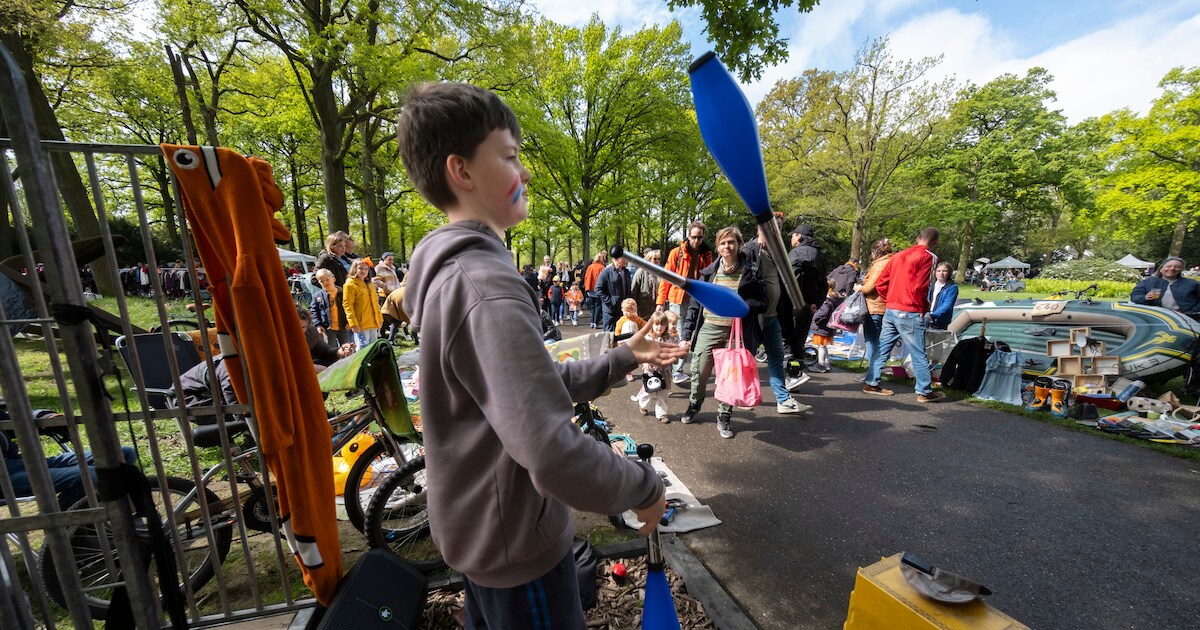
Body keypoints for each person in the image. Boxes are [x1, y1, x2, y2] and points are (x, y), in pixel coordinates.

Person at [396, 81, 681, 628]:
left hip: (488, 538)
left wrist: (623, 357)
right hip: (517, 554)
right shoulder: (486, 288)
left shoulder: (455, 276)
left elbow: (529, 388)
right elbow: (549, 450)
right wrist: (644, 487)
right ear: (462, 172)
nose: (524, 172)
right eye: (509, 156)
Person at [680, 226, 767, 438]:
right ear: (718, 247)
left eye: (731, 242)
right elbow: (694, 305)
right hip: (709, 328)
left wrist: (743, 305)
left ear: (738, 245)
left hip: (736, 333)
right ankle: (694, 403)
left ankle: (724, 415)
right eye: (723, 243)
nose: (727, 246)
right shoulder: (709, 273)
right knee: (699, 371)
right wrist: (686, 334)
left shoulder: (751, 272)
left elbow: (763, 302)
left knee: (729, 376)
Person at [863, 227, 945, 403]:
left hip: (891, 309)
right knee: (918, 352)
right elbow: (922, 287)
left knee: (882, 348)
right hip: (911, 310)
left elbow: (882, 282)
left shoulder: (898, 256)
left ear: (917, 238)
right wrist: (923, 309)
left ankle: (871, 382)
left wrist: (890, 299)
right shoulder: (929, 257)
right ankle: (924, 391)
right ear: (936, 242)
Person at [741, 213, 812, 414]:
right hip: (753, 318)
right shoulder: (749, 251)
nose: (775, 230)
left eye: (778, 227)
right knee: (747, 359)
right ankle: (743, 396)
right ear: (759, 228)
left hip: (773, 317)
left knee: (776, 358)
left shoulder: (779, 253)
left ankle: (783, 400)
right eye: (771, 226)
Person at [1, 411, 137, 511]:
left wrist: (45, 417)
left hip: (23, 463)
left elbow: (10, 417)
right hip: (5, 478)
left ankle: (114, 516)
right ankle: (70, 534)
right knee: (85, 475)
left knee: (122, 454)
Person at [788, 223, 827, 384]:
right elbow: (823, 283)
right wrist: (815, 303)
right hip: (809, 306)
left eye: (793, 235)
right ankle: (796, 374)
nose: (791, 238)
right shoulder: (820, 255)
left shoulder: (797, 253)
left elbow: (789, 279)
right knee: (799, 342)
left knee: (786, 341)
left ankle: (790, 376)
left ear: (799, 236)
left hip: (793, 304)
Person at [633, 311, 684, 424]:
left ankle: (662, 414)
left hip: (666, 371)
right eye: (656, 324)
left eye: (662, 324)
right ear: (651, 325)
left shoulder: (671, 338)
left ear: (666, 325)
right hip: (651, 370)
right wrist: (645, 362)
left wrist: (682, 347)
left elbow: (677, 347)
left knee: (663, 393)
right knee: (649, 393)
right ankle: (643, 405)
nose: (659, 327)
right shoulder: (648, 338)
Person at [857, 238, 895, 389]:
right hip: (884, 306)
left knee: (872, 342)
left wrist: (859, 288)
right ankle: (872, 375)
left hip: (875, 307)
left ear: (876, 252)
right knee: (879, 342)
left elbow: (869, 287)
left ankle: (871, 375)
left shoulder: (880, 264)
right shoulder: (893, 261)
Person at [1131, 257, 1200, 320]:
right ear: (1161, 269)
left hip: (1185, 319)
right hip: (1155, 317)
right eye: (1169, 266)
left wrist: (1192, 312)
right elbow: (1134, 297)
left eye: (1177, 267)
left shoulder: (1192, 284)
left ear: (1181, 270)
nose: (1172, 268)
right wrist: (1145, 297)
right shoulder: (1148, 282)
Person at [343, 258, 383, 350]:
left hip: (373, 322)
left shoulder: (369, 284)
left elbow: (375, 303)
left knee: (373, 349)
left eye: (366, 269)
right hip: (361, 323)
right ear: (354, 269)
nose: (363, 271)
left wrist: (379, 318)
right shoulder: (350, 285)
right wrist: (353, 323)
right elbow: (347, 305)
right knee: (362, 349)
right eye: (361, 268)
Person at [809, 279, 844, 373]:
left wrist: (815, 318)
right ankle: (827, 363)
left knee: (821, 346)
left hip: (822, 326)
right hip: (830, 326)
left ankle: (821, 365)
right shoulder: (837, 299)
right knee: (823, 346)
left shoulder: (827, 300)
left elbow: (823, 313)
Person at [310, 268, 349, 346]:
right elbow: (313, 311)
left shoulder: (343, 293)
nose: (325, 282)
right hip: (328, 327)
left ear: (333, 278)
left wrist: (350, 321)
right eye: (322, 281)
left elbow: (350, 307)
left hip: (344, 326)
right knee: (331, 348)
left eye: (327, 279)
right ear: (319, 282)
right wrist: (318, 325)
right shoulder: (318, 297)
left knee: (346, 347)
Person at [594, 253, 632, 332]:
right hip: (610, 311)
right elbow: (598, 289)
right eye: (623, 258)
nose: (626, 260)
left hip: (623, 310)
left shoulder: (626, 272)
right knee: (609, 336)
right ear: (616, 260)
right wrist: (610, 301)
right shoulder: (606, 272)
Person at [630, 249, 661, 319]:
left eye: (659, 259)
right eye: (655, 259)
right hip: (643, 309)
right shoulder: (640, 272)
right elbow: (633, 291)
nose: (657, 261)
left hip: (657, 309)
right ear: (649, 259)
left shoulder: (661, 273)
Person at [928, 262, 959, 329]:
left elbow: (947, 305)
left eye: (944, 271)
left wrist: (932, 316)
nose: (941, 273)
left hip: (940, 322)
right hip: (926, 319)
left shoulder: (952, 287)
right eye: (938, 271)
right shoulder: (931, 285)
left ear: (949, 273)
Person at [583, 251, 607, 328]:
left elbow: (586, 278)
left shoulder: (590, 267)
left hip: (590, 289)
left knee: (592, 306)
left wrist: (587, 288)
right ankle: (596, 322)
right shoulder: (602, 267)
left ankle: (592, 321)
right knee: (598, 305)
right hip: (598, 289)